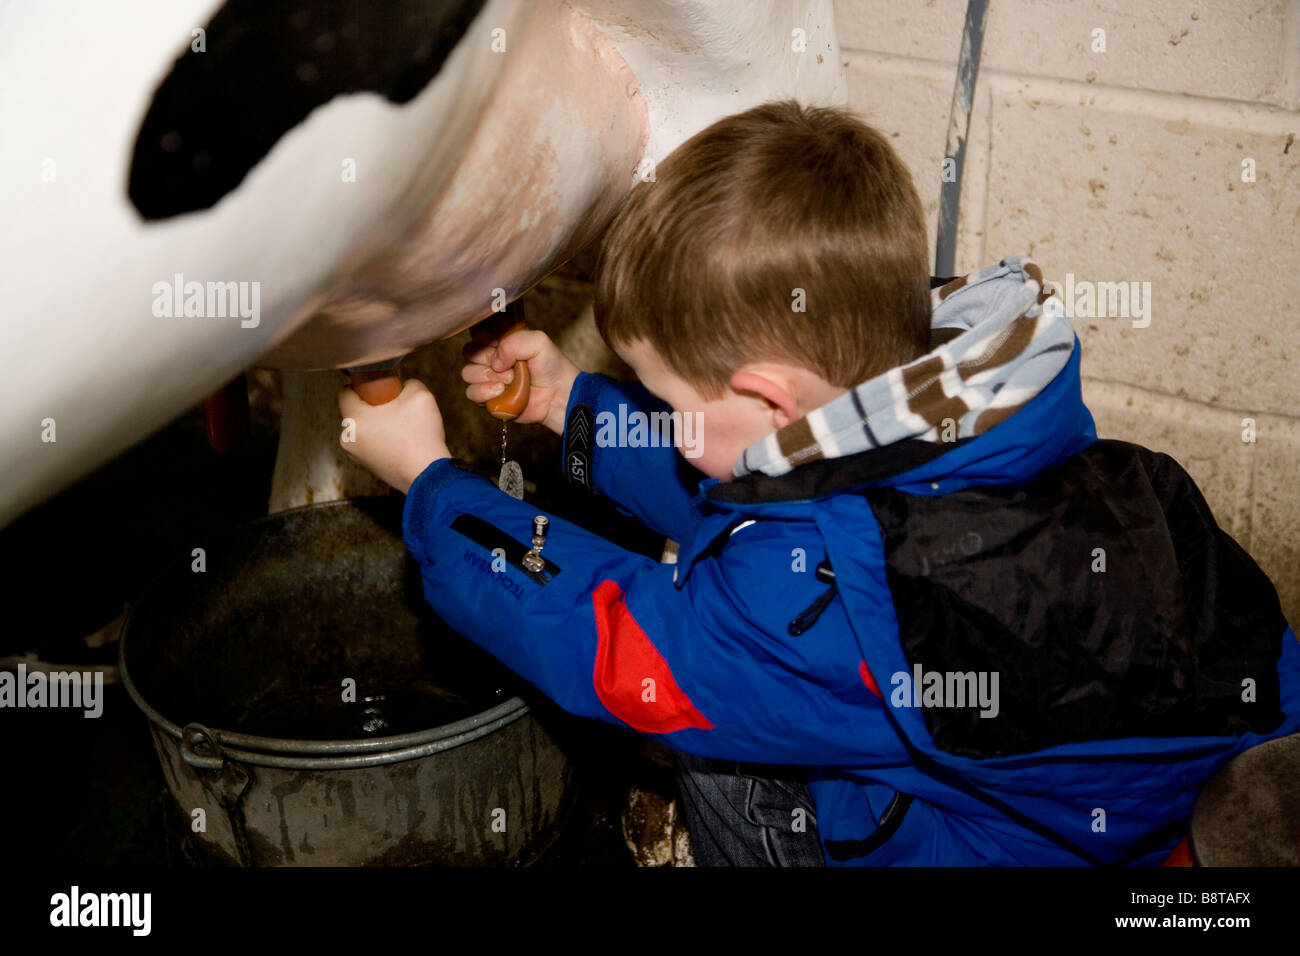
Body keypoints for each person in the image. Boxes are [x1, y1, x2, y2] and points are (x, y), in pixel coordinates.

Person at [338, 100, 1300, 865]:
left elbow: (623, 643)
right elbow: (773, 498)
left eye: (664, 395)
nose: (661, 414)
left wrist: (431, 486)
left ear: (767, 395)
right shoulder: (967, 409)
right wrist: (568, 409)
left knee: (709, 742)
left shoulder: (827, 601)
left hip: (1009, 850)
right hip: (1145, 810)